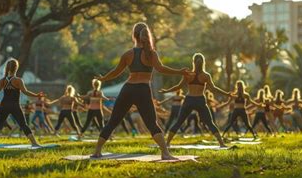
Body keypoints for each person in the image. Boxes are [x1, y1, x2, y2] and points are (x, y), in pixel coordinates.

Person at [91, 22, 188, 160]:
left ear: (134, 36)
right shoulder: (151, 54)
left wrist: (103, 78)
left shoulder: (128, 54)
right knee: (152, 123)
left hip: (128, 89)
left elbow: (116, 72)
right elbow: (161, 69)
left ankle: (97, 152)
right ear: (147, 35)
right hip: (143, 89)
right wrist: (180, 71)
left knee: (113, 121)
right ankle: (165, 153)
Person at [160, 53, 229, 147]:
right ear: (203, 63)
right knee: (210, 123)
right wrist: (226, 93)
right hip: (200, 100)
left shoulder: (188, 75)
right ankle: (221, 144)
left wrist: (167, 90)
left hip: (189, 100)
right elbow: (214, 89)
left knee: (179, 122)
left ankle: (167, 144)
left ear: (193, 62)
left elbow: (178, 86)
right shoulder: (205, 75)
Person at [0, 59, 43, 147]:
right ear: (16, 68)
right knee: (23, 124)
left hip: (4, 105)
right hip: (14, 106)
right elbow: (25, 92)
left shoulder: (2, 80)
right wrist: (36, 95)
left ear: (7, 68)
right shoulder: (18, 80)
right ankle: (34, 143)